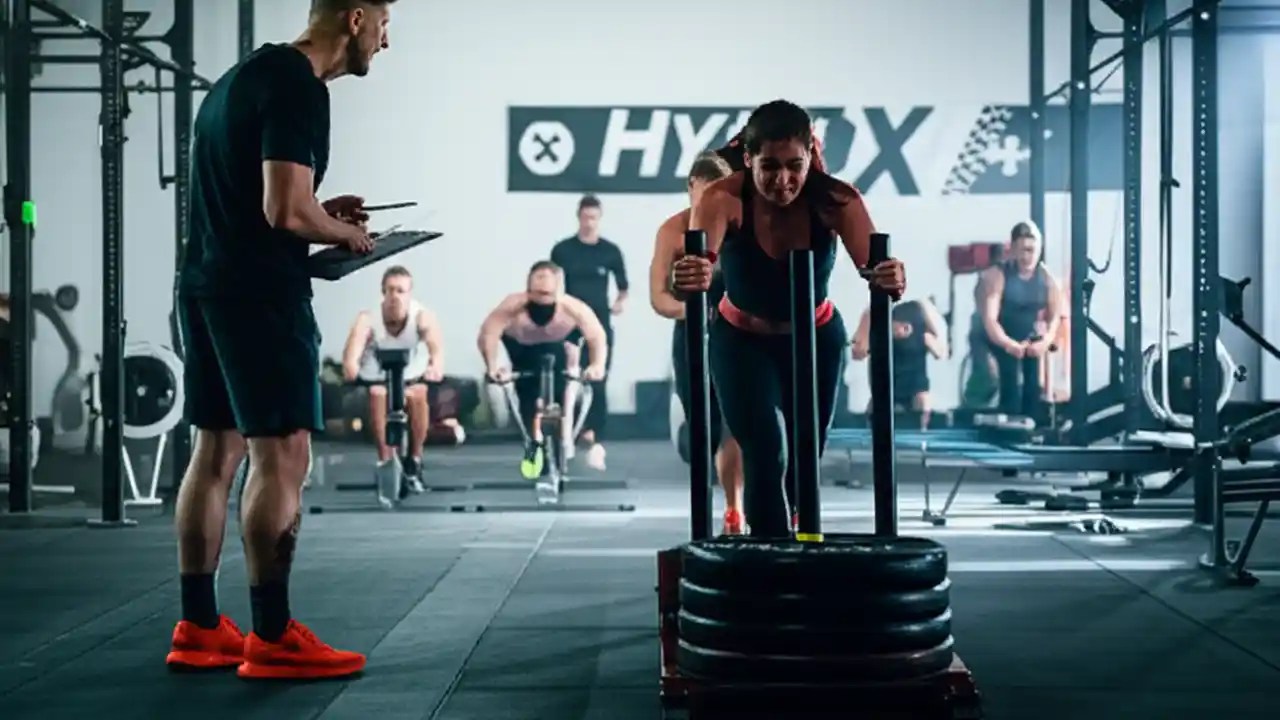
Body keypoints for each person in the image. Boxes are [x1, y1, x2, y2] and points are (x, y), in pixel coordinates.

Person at [167, 0, 395, 681]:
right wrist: (343, 232)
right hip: (260, 298)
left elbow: (265, 199)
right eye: (385, 26)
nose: (386, 44)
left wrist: (326, 212)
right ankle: (271, 638)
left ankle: (200, 626)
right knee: (283, 454)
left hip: (205, 284)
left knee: (215, 450)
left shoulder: (242, 78)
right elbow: (284, 210)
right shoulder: (300, 85)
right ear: (355, 18)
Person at [672, 100, 906, 538]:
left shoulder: (836, 199)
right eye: (770, 166)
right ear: (748, 160)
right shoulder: (723, 199)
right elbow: (696, 263)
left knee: (804, 457)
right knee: (766, 453)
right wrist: (691, 270)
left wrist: (892, 275)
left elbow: (878, 269)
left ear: (809, 157)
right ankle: (771, 562)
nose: (783, 180)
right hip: (742, 341)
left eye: (794, 166)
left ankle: (800, 543)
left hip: (815, 339)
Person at [649, 150, 746, 535]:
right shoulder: (672, 231)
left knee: (736, 425)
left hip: (739, 335)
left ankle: (734, 512)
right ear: (691, 188)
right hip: (692, 334)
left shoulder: (741, 227)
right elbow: (659, 297)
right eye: (704, 194)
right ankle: (704, 516)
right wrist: (693, 315)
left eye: (718, 195)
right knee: (703, 429)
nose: (709, 203)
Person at [478, 261, 608, 478]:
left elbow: (597, 336)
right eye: (538, 288)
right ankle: (532, 443)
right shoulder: (511, 306)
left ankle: (565, 437)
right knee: (528, 404)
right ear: (528, 289)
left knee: (567, 380)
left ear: (559, 290)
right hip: (522, 351)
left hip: (560, 352)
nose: (543, 295)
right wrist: (492, 367)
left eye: (548, 291)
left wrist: (597, 366)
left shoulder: (572, 308)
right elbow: (488, 334)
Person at [340, 265, 444, 486]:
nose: (395, 296)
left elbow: (436, 346)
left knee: (418, 394)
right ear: (383, 292)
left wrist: (436, 364)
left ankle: (414, 459)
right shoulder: (368, 318)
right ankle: (386, 460)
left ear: (409, 294)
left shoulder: (421, 316)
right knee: (378, 394)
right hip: (377, 378)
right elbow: (352, 352)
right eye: (390, 290)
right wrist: (351, 365)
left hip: (411, 377)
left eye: (400, 291)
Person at [550, 195, 628, 470]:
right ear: (579, 217)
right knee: (567, 378)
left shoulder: (610, 251)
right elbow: (554, 286)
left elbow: (623, 287)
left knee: (598, 378)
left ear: (599, 219)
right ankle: (563, 434)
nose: (589, 222)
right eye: (585, 217)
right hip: (568, 324)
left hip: (599, 325)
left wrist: (618, 304)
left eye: (593, 218)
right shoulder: (562, 250)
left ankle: (595, 434)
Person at [980, 220, 1064, 422]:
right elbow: (990, 319)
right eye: (1023, 250)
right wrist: (1008, 344)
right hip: (999, 336)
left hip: (1029, 339)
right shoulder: (998, 275)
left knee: (1032, 381)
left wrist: (1044, 343)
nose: (1028, 256)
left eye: (1032, 250)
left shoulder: (1048, 279)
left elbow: (1054, 320)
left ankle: (1031, 421)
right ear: (1014, 250)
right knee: (1009, 375)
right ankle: (1006, 417)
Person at [851, 298, 948, 424]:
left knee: (923, 404)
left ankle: (921, 438)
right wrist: (883, 331)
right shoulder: (872, 312)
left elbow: (941, 351)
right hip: (883, 388)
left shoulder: (923, 308)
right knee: (876, 411)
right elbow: (858, 352)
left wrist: (927, 340)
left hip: (916, 388)